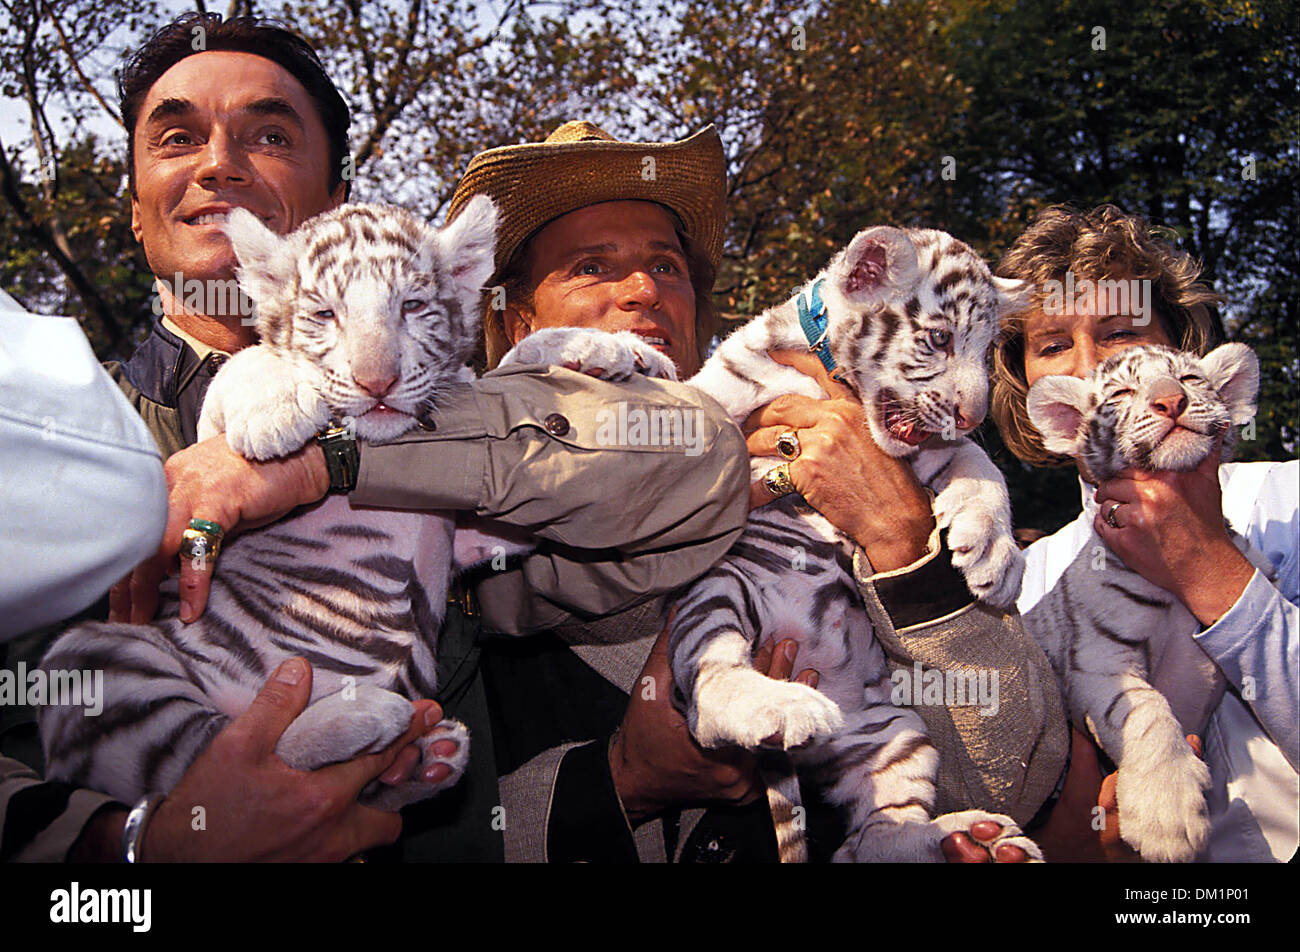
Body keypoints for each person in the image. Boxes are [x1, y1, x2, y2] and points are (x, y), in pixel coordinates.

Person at [437, 120, 1069, 861]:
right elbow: (406, 831)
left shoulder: (863, 460)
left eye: (667, 266)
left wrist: (899, 538)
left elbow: (1017, 778)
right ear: (519, 322)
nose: (643, 289)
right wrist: (621, 782)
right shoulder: (448, 513)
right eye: (591, 267)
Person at [0, 297, 442, 862]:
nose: (214, 200)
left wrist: (328, 460)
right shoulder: (49, 410)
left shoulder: (438, 384)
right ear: (134, 212)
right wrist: (138, 843)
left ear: (336, 202)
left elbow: (539, 446)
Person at [992, 203, 1298, 862]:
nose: (1088, 363)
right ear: (1033, 394)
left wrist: (1206, 564)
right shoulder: (1028, 584)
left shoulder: (1289, 500)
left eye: (1120, 331)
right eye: (1052, 345)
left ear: (1177, 349)